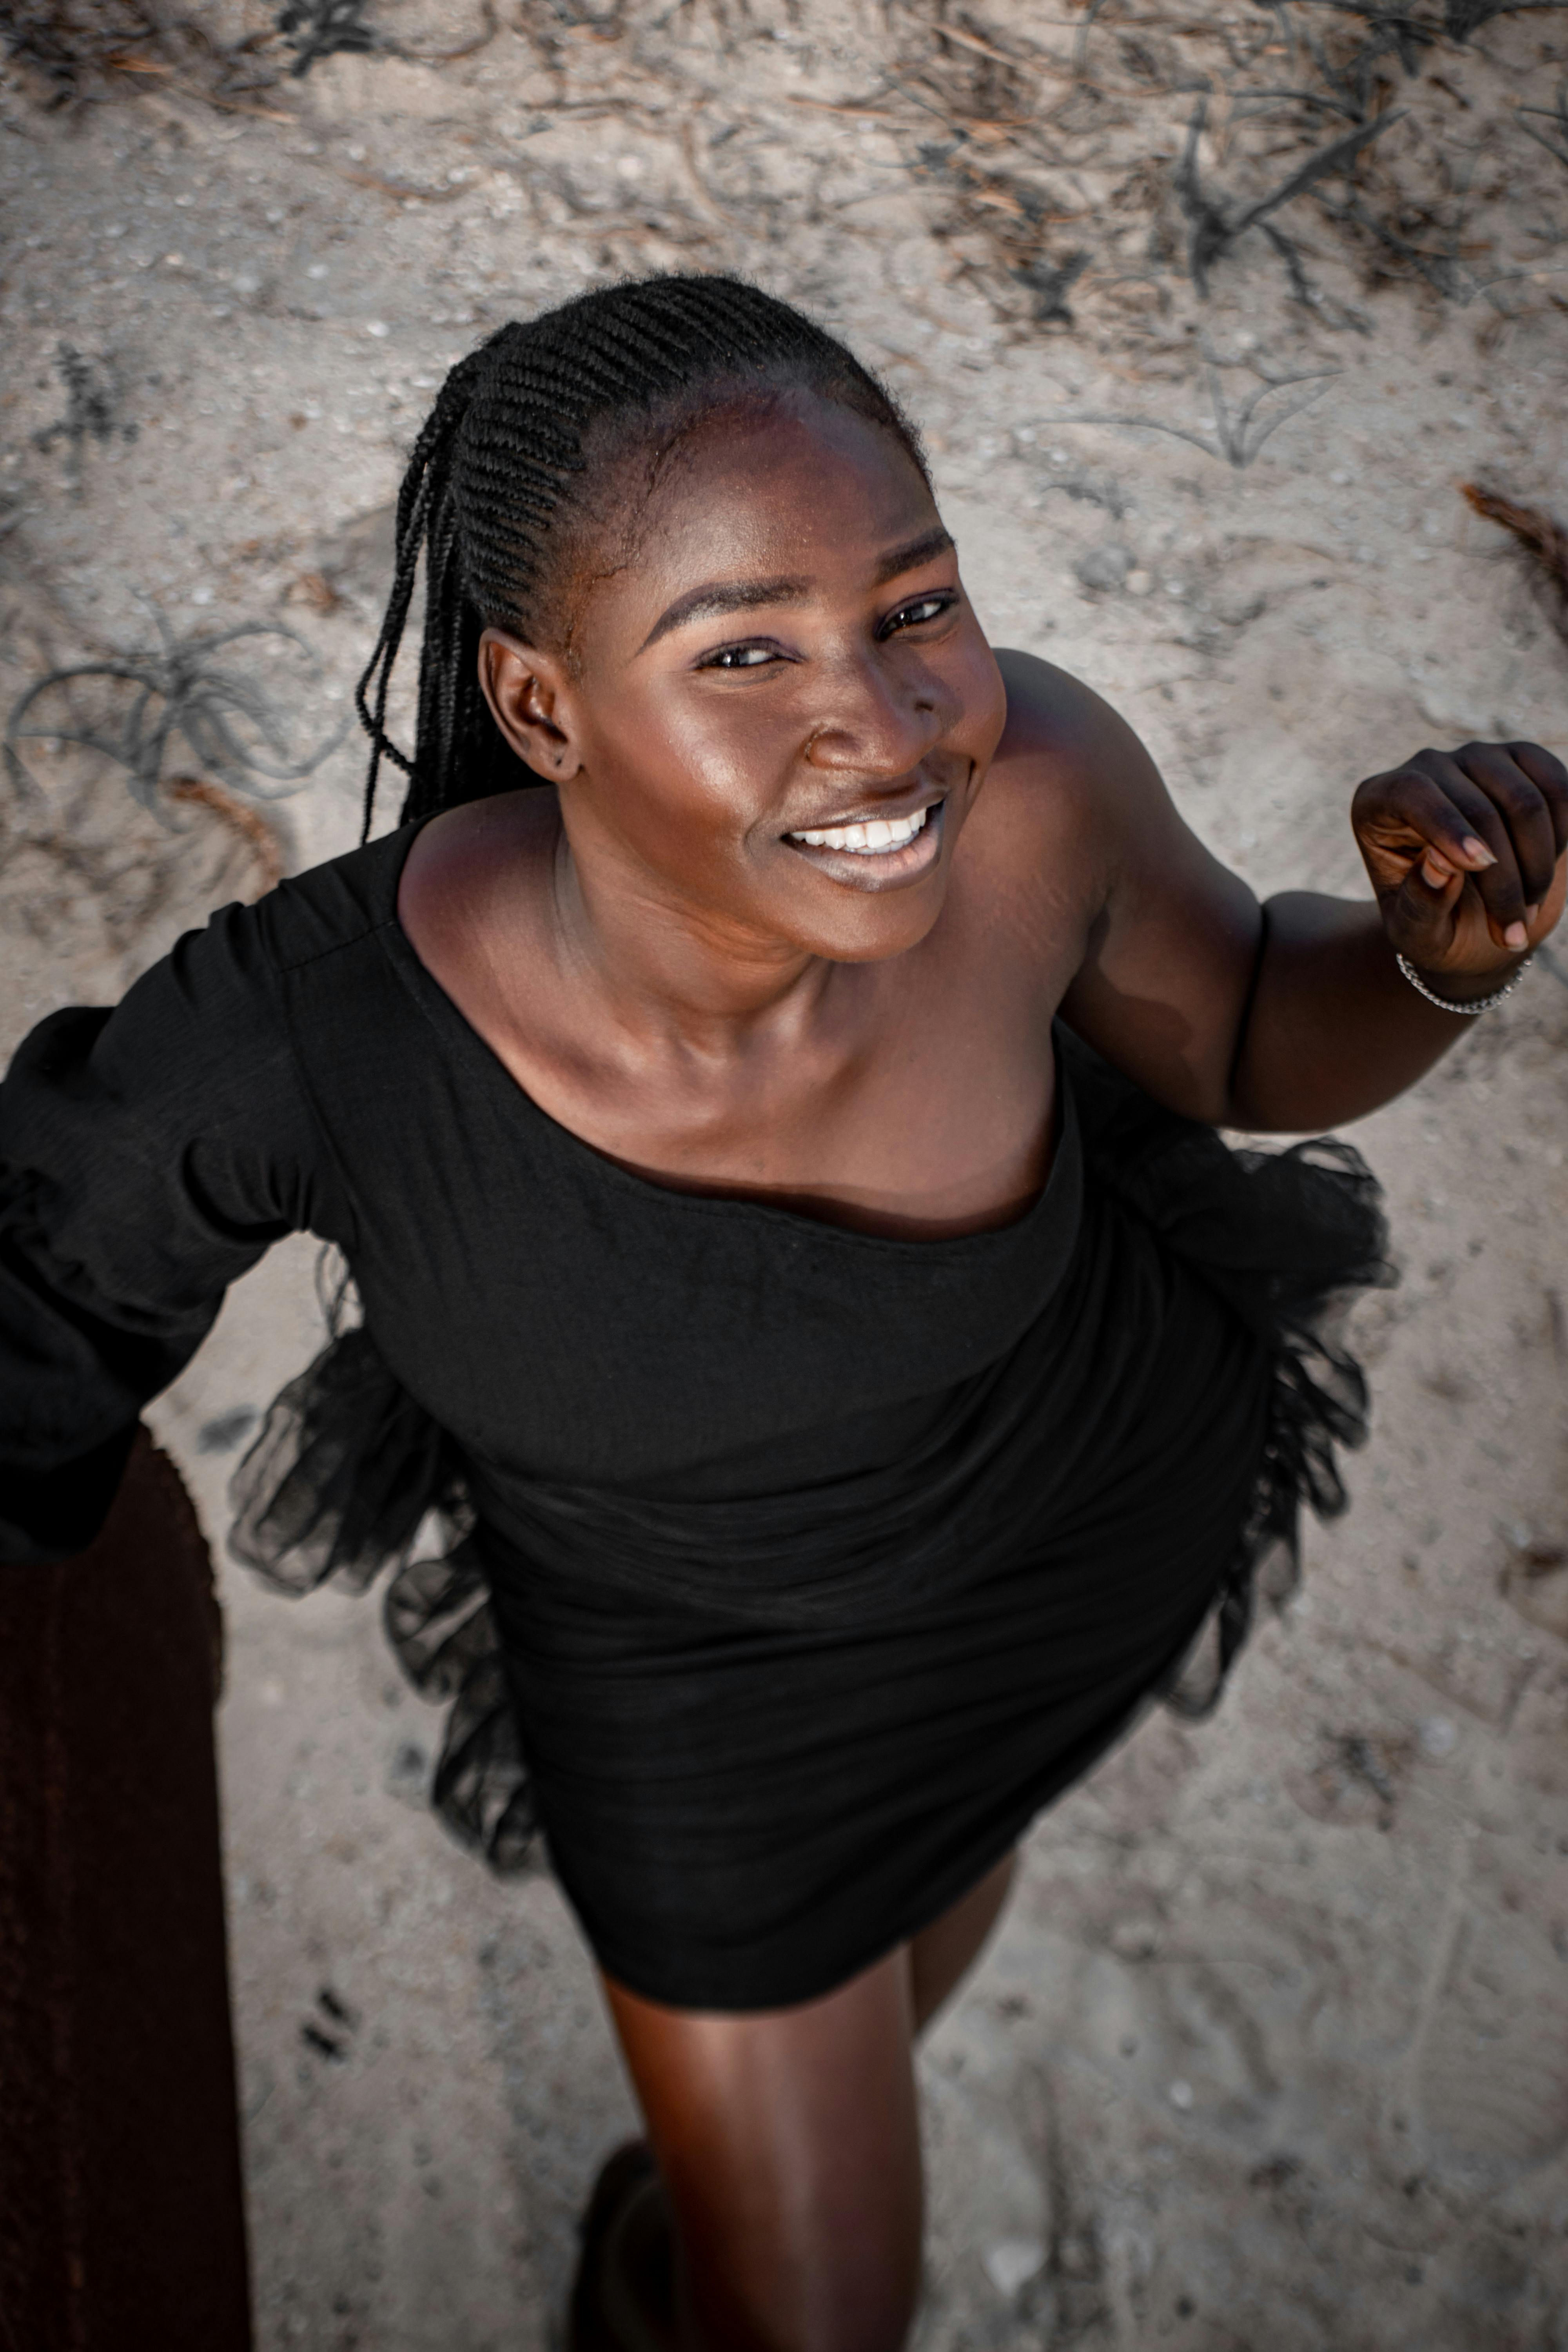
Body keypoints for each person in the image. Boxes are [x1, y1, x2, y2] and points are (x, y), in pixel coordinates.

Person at [2, 273, 1563, 2352]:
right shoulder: (312, 1045)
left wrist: (1431, 956)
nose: (891, 721)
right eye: (746, 650)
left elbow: (1258, 1033)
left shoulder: (1039, 805)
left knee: (905, 1985)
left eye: (916, 607)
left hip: (1062, 1549)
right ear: (546, 710)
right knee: (811, 2310)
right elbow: (27, 1333)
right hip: (717, 1723)